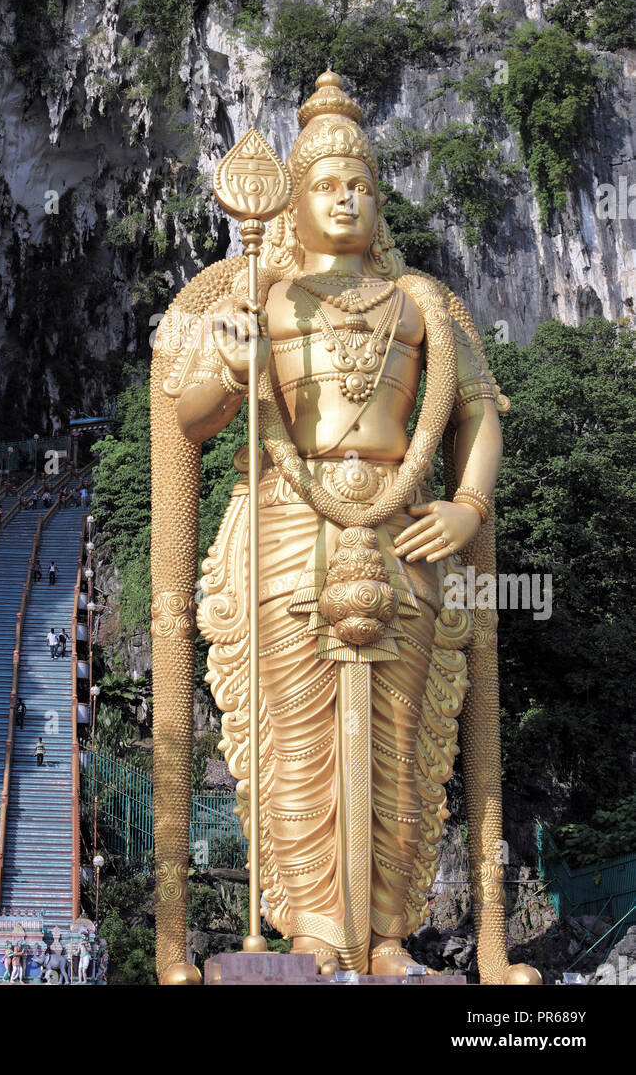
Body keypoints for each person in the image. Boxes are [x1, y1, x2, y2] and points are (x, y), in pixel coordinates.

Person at [151, 70, 522, 983]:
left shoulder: (425, 304)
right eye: (325, 184)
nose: (346, 196)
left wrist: (466, 505)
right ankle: (312, 932)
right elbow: (186, 416)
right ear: (292, 201)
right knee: (294, 736)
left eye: (360, 183)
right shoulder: (259, 299)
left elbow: (478, 416)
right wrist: (235, 370)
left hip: (404, 531)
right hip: (284, 523)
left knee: (402, 740)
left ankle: (390, 935)